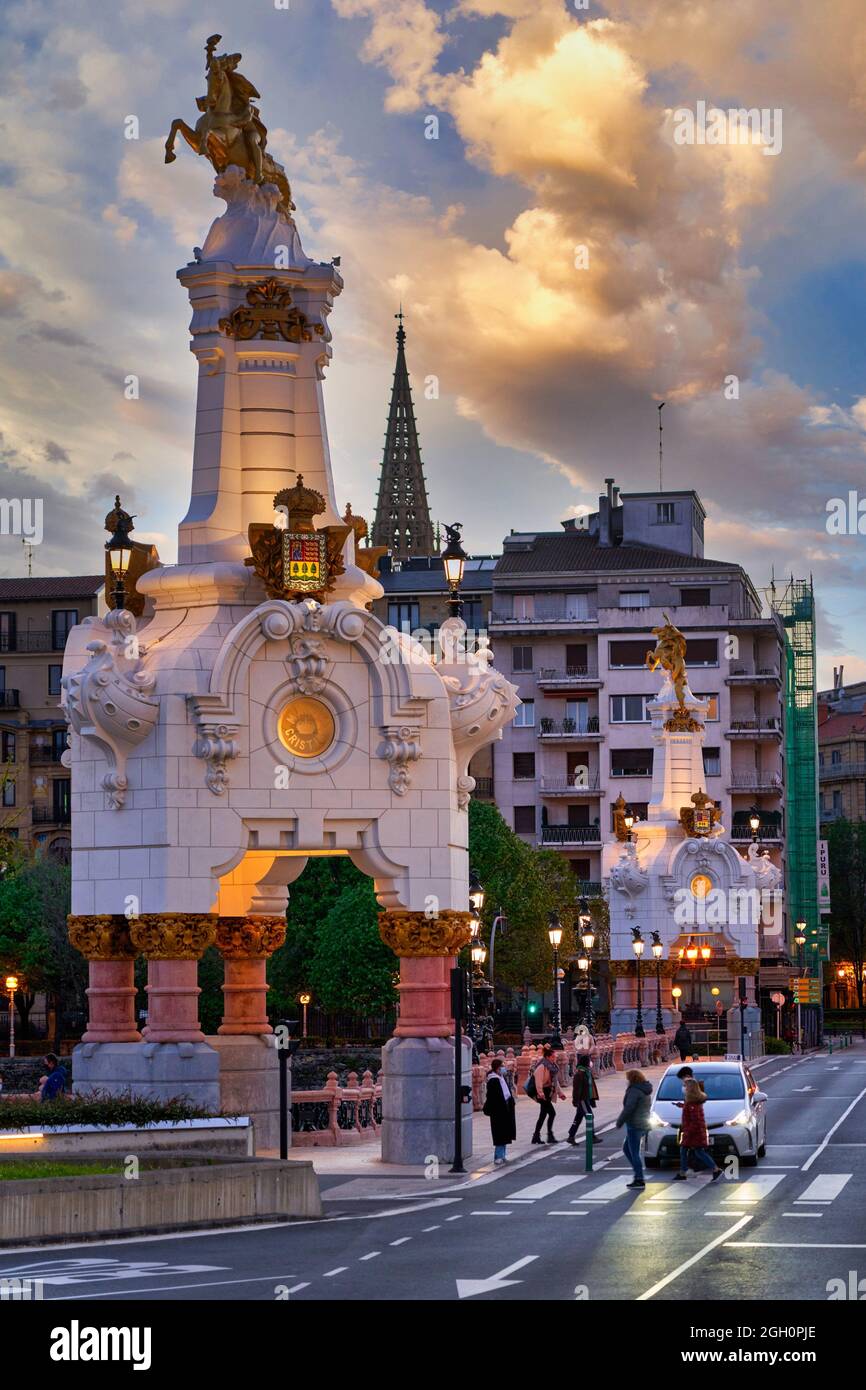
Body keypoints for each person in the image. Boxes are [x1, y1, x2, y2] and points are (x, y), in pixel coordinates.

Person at [672, 1066, 722, 1181]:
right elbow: (691, 1112)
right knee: (694, 1151)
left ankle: (714, 1169)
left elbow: (695, 1120)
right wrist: (681, 1105)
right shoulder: (693, 1101)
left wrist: (687, 1132)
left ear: (690, 1089)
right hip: (695, 1131)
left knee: (692, 1151)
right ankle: (684, 1172)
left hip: (694, 1132)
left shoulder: (693, 1104)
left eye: (685, 1086)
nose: (683, 1088)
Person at [615, 1068, 653, 1188]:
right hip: (642, 1124)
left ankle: (639, 1178)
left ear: (632, 1079)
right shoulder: (645, 1089)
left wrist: (620, 1121)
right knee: (627, 1149)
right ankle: (638, 1172)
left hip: (634, 1125)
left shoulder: (634, 1091)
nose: (627, 1081)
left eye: (628, 1078)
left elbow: (629, 1108)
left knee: (634, 1152)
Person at [531, 1042, 567, 1145]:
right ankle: (549, 1135)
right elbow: (538, 1081)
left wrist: (560, 1093)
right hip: (542, 1093)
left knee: (543, 1115)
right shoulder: (542, 1066)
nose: (555, 1058)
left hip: (548, 1092)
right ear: (548, 1057)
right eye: (553, 1056)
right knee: (551, 1113)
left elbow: (555, 1082)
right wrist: (540, 1093)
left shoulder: (552, 1066)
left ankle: (536, 1136)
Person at [483, 1057, 517, 1165]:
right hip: (498, 1110)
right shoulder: (493, 1080)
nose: (504, 1068)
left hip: (506, 1108)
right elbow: (493, 1097)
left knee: (505, 1133)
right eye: (502, 1066)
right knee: (500, 1133)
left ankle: (502, 1155)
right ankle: (498, 1156)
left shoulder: (501, 1078)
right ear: (497, 1068)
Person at [566, 1052, 602, 1146]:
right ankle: (591, 1137)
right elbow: (577, 1089)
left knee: (578, 1118)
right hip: (582, 1099)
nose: (590, 1062)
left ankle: (571, 1136)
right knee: (590, 1116)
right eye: (589, 1061)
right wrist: (575, 1100)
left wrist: (592, 1099)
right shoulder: (580, 1074)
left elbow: (591, 1087)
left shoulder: (587, 1072)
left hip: (587, 1098)